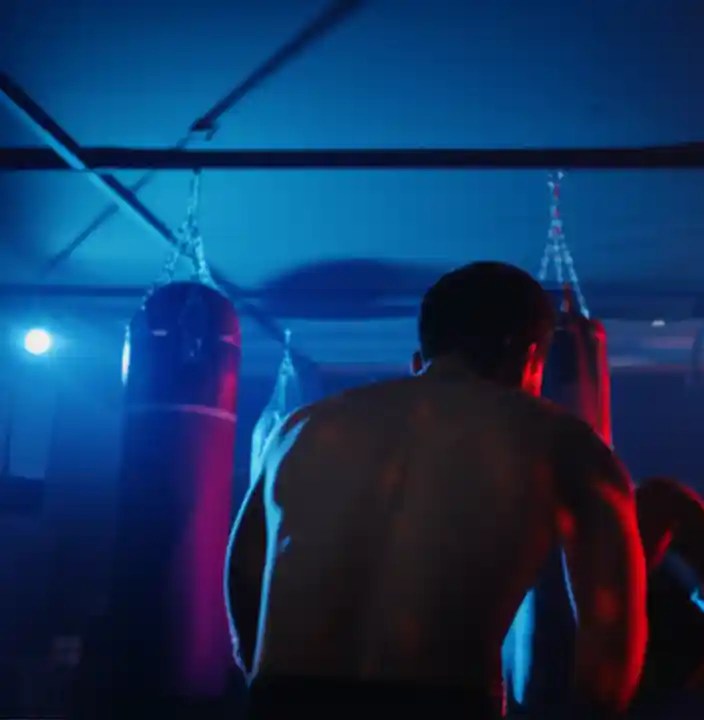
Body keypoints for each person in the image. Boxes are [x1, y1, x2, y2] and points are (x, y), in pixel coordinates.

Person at [225, 261, 648, 719]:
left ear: (419, 359)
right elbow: (611, 651)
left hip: (284, 699)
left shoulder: (297, 430)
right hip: (440, 702)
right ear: (530, 358)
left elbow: (243, 577)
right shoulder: (566, 442)